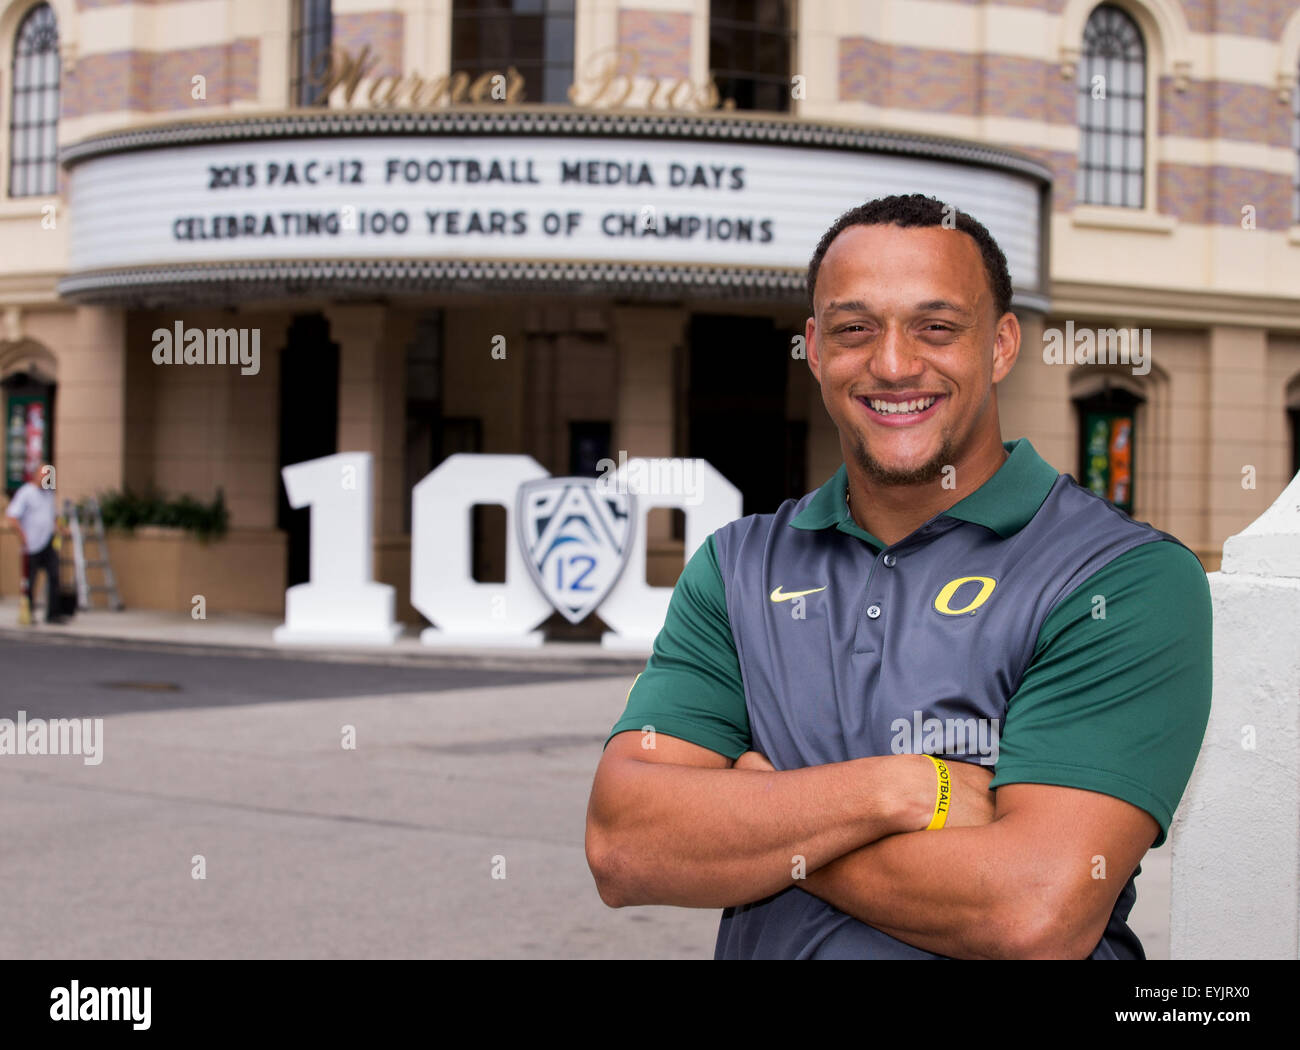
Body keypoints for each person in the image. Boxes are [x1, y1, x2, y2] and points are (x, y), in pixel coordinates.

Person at [584, 194, 1212, 959]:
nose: (892, 364)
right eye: (855, 330)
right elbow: (624, 845)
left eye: (936, 328)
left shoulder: (1122, 579)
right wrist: (909, 790)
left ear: (1002, 345)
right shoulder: (737, 565)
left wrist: (763, 813)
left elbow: (1034, 910)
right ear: (814, 349)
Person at [6, 467, 67, 625]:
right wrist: (22, 536)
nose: (46, 479)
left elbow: (54, 515)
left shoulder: (49, 494)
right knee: (30, 580)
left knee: (54, 576)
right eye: (43, 475)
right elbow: (12, 516)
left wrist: (60, 527)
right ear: (35, 476)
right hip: (31, 544)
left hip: (48, 541)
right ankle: (27, 613)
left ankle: (53, 614)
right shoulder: (26, 493)